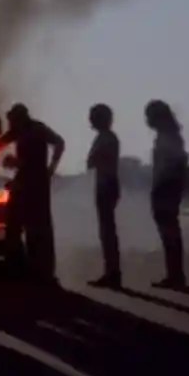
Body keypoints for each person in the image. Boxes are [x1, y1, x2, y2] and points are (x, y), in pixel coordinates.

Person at [0, 103, 65, 285]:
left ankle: (43, 271)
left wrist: (51, 167)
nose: (10, 125)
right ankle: (23, 266)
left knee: (38, 226)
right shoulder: (18, 130)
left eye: (11, 121)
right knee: (14, 223)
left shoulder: (37, 129)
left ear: (20, 118)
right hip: (24, 181)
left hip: (36, 183)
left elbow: (59, 143)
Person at [146, 99, 188, 289]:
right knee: (169, 232)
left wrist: (160, 184)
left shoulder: (168, 137)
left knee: (169, 232)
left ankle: (175, 276)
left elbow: (172, 163)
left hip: (166, 187)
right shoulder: (170, 135)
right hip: (167, 186)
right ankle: (174, 274)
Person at [86, 103, 122, 288]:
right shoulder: (107, 138)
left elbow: (92, 161)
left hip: (106, 185)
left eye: (93, 117)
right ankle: (111, 271)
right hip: (107, 185)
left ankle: (112, 273)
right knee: (107, 230)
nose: (90, 120)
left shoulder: (106, 139)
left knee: (107, 231)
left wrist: (93, 158)